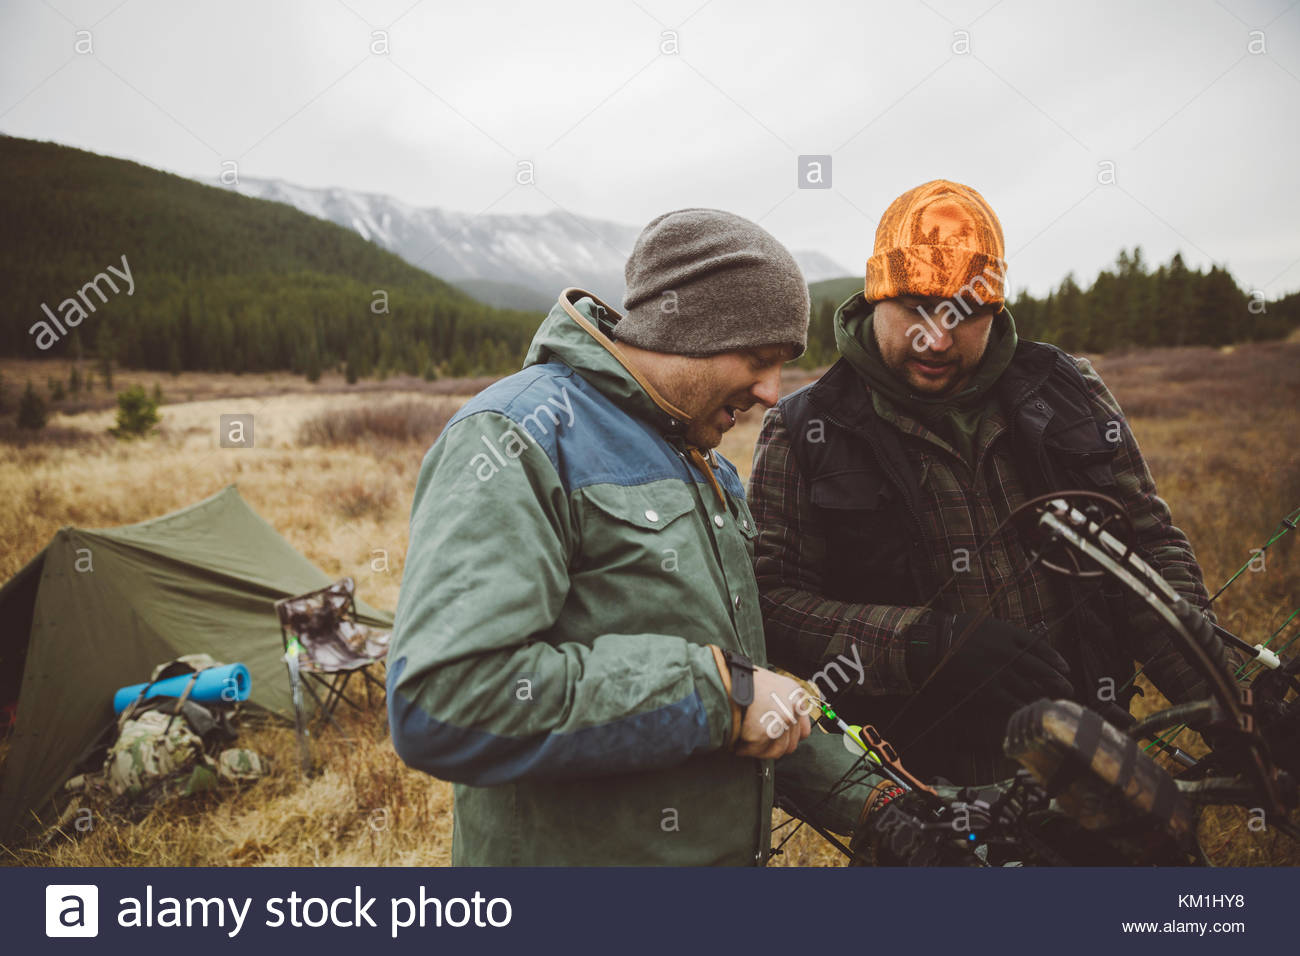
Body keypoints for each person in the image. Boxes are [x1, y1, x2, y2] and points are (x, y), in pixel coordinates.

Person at [388, 208, 883, 865]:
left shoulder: (712, 469)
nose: (772, 393)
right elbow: (444, 701)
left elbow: (742, 695)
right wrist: (715, 696)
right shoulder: (518, 436)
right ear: (688, 330)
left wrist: (873, 804)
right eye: (760, 360)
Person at [748, 180, 1235, 786]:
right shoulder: (804, 431)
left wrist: (1230, 707)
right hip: (922, 788)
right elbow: (771, 603)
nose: (938, 338)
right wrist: (925, 644)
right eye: (917, 307)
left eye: (965, 312)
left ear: (995, 307)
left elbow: (1146, 549)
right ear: (877, 297)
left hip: (1096, 752)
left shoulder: (1066, 389)